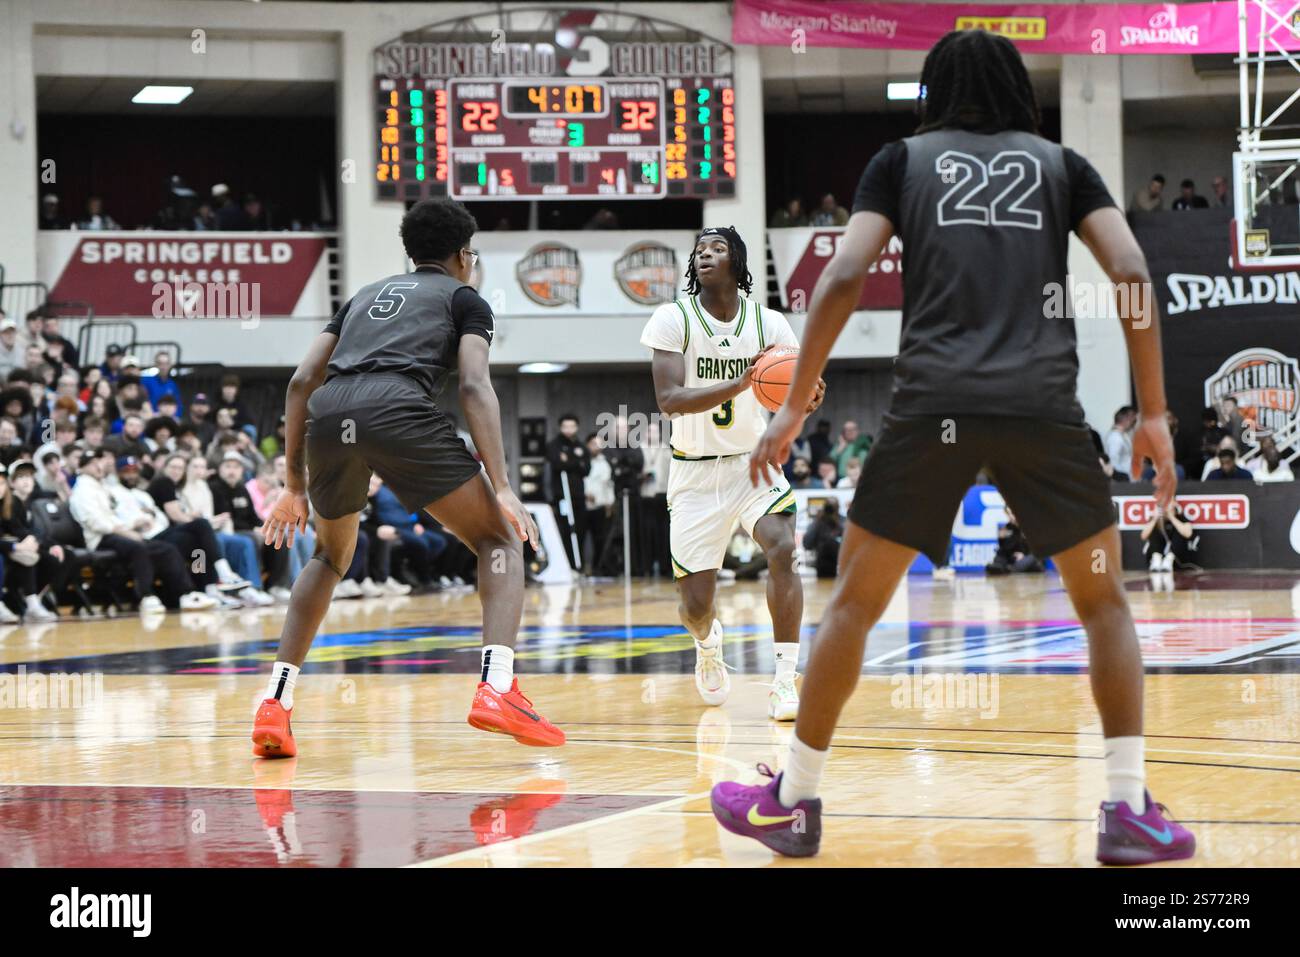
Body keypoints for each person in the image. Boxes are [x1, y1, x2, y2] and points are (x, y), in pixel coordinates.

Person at [711, 29, 1194, 864]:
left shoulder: (900, 160)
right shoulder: (1062, 163)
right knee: (1104, 604)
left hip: (932, 410)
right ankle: (1126, 809)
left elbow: (842, 276)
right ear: (1017, 90)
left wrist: (792, 406)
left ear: (935, 89)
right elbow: (1133, 272)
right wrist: (1154, 411)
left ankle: (792, 801)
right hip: (1043, 412)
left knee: (856, 608)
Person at [251, 197, 559, 759]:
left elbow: (300, 382)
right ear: (465, 255)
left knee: (328, 557)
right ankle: (496, 688)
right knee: (498, 540)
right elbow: (473, 387)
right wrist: (505, 487)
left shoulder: (362, 298)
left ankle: (275, 702)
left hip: (331, 412)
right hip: (397, 409)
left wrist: (293, 486)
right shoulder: (466, 298)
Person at [640, 225, 826, 720]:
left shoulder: (770, 326)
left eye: (717, 249)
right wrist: (746, 380)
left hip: (753, 465)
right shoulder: (673, 318)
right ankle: (708, 644)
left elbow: (793, 392)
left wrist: (805, 399)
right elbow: (669, 401)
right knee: (696, 607)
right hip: (695, 477)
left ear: (738, 262)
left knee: (784, 549)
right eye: (699, 250)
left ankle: (785, 680)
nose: (705, 255)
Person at [69, 448, 217, 613]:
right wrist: (128, 529)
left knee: (182, 546)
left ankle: (192, 591)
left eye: (98, 463)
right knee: (194, 530)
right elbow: (96, 522)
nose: (97, 467)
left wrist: (137, 524)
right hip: (105, 537)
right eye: (91, 464)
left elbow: (155, 517)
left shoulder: (104, 489)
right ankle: (146, 596)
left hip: (139, 531)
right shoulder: (86, 490)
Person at [0, 461, 67, 621]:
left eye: (1, 483)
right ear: (13, 482)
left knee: (48, 557)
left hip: (11, 545)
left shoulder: (10, 503)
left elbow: (29, 530)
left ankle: (32, 601)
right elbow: (18, 531)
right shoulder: (13, 502)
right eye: (21, 477)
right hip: (7, 547)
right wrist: (16, 545)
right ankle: (24, 601)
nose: (26, 481)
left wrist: (45, 543)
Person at [545, 413, 588, 571]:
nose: (569, 430)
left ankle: (579, 565)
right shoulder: (554, 445)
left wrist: (569, 461)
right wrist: (576, 462)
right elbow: (557, 465)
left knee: (581, 530)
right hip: (562, 496)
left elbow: (586, 469)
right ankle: (567, 565)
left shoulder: (581, 446)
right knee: (565, 530)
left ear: (577, 427)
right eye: (565, 427)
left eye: (572, 426)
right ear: (561, 427)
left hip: (579, 496)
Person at [984, 506, 1044, 574]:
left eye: (1012, 513)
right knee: (1000, 557)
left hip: (1029, 557)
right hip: (1013, 558)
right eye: (1008, 514)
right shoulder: (1006, 528)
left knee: (1033, 557)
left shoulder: (1029, 527)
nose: (1011, 516)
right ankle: (999, 567)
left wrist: (1023, 555)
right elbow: (1004, 549)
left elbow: (1036, 547)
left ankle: (1009, 569)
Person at [1140, 502, 1197, 571]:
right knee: (1153, 530)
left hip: (1175, 559)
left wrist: (1171, 517)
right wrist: (1154, 519)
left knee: (1180, 530)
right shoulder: (1155, 520)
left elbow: (1188, 534)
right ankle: (1156, 559)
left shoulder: (1180, 518)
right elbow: (1143, 536)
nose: (1165, 508)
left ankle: (1169, 560)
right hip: (1158, 559)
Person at [801, 498, 843, 578]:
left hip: (840, 564)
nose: (831, 512)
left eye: (833, 508)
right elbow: (807, 543)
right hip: (822, 565)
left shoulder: (843, 522)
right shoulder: (818, 523)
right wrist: (817, 522)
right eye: (829, 508)